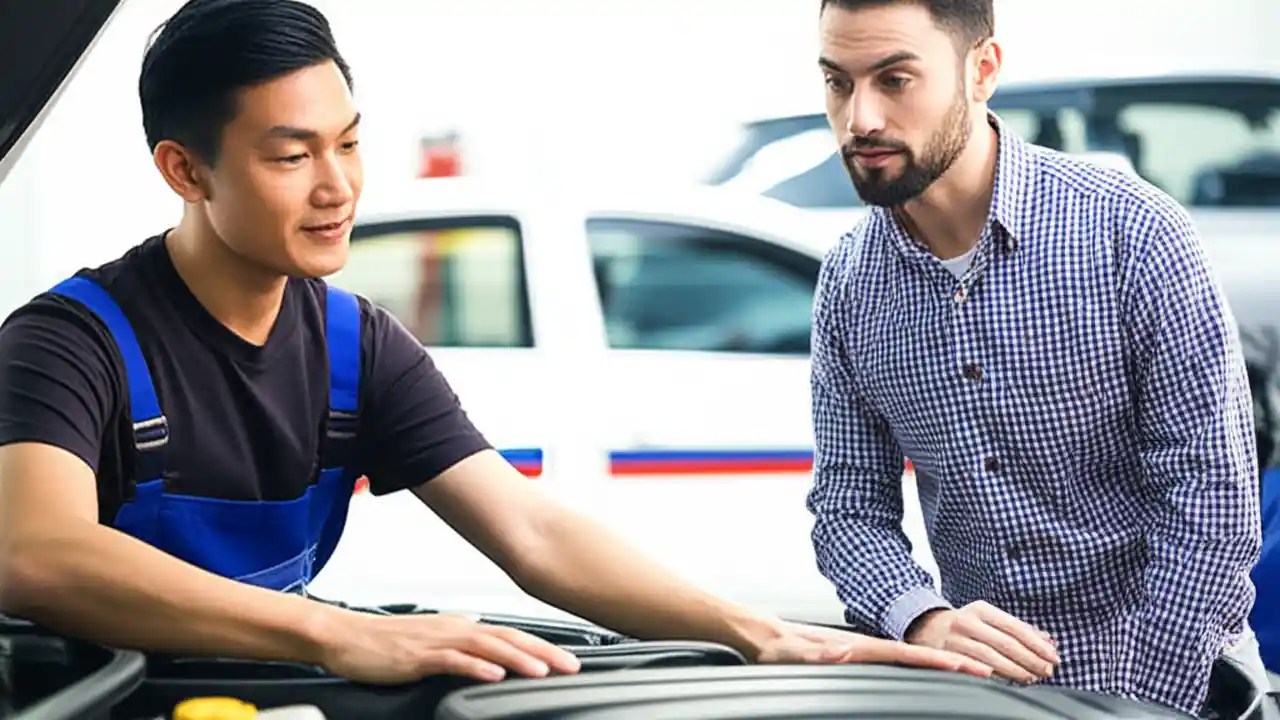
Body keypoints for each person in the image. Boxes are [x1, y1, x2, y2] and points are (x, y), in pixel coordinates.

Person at [0, 0, 988, 688]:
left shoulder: (357, 349)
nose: (338, 185)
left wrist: (758, 635)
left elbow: (530, 532)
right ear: (185, 168)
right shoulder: (72, 347)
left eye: (347, 142)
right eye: (291, 155)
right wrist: (336, 634)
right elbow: (33, 553)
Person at [804, 0, 1264, 714]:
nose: (860, 117)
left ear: (982, 69)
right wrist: (924, 619)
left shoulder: (1131, 233)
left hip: (1179, 690)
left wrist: (1144, 706)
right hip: (984, 701)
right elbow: (846, 510)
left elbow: (1212, 503)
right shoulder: (847, 284)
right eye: (838, 82)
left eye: (895, 80)